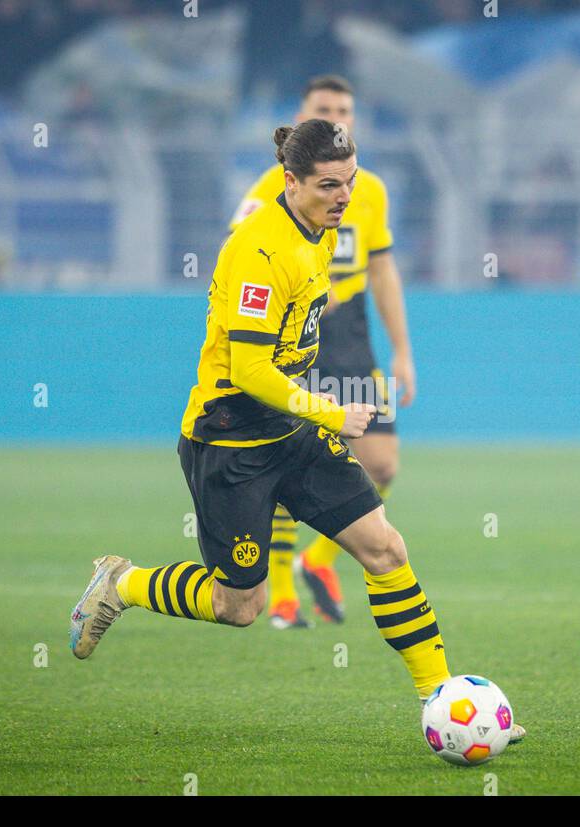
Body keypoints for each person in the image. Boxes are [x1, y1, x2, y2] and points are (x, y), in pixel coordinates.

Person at [69, 119, 524, 736]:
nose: (344, 196)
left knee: (385, 549)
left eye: (351, 182)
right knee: (239, 607)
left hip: (293, 433)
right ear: (291, 181)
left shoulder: (319, 233)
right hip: (230, 441)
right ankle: (122, 582)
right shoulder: (260, 250)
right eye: (330, 185)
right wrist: (330, 409)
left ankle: (442, 700)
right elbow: (251, 367)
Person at [230, 74, 414, 629]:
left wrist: (402, 350)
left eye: (344, 110)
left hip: (351, 332)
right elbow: (238, 252)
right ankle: (282, 593)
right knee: (294, 452)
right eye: (324, 109)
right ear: (304, 117)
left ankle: (319, 558)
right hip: (295, 334)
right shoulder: (273, 187)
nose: (337, 117)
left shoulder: (369, 190)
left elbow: (381, 267)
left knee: (381, 462)